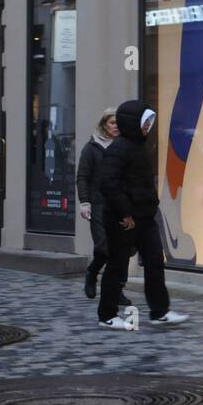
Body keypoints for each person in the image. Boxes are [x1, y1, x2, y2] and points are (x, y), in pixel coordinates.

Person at [96, 100, 187, 330]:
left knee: (155, 261)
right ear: (133, 123)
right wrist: (125, 212)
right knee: (117, 265)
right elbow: (108, 183)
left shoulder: (140, 147)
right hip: (123, 219)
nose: (148, 127)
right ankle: (107, 314)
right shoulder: (118, 149)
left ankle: (160, 311)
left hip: (145, 217)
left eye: (149, 123)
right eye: (145, 122)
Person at [77, 108, 131, 307]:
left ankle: (118, 290)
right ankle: (92, 273)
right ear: (104, 125)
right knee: (104, 247)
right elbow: (82, 177)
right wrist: (85, 202)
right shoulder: (92, 148)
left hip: (121, 204)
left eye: (118, 123)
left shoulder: (125, 146)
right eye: (112, 123)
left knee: (124, 249)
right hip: (99, 204)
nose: (115, 127)